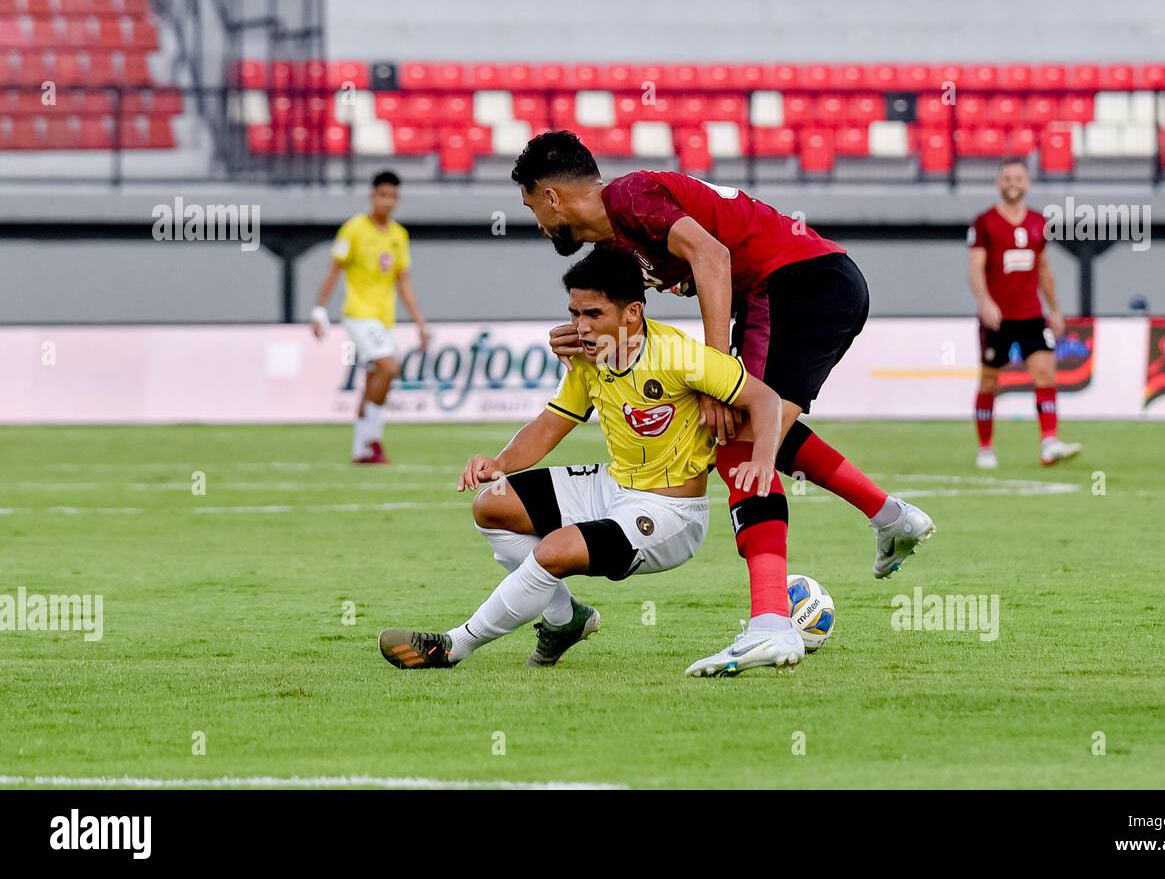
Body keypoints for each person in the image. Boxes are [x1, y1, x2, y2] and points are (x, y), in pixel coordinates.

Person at [507, 131, 935, 671]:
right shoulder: (615, 248)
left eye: (531, 207)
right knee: (758, 433)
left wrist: (716, 373)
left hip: (792, 284)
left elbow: (713, 254)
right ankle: (890, 516)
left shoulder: (630, 197)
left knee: (736, 439)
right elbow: (631, 330)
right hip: (813, 284)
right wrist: (577, 338)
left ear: (550, 197)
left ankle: (771, 624)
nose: (538, 225)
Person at [378, 246, 802, 676]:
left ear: (632, 312)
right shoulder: (590, 359)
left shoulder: (680, 356)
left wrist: (763, 460)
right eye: (574, 312)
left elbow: (764, 399)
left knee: (553, 551)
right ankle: (565, 620)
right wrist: (499, 462)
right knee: (492, 506)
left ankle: (453, 646)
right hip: (612, 486)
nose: (578, 326)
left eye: (592, 314)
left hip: (669, 514)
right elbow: (550, 423)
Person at [967, 158, 1082, 468]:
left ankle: (1049, 443)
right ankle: (986, 448)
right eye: (1007, 178)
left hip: (1032, 314)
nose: (1013, 183)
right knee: (990, 382)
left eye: (1018, 177)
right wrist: (985, 301)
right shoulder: (984, 223)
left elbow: (1044, 269)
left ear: (1027, 183)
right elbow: (975, 268)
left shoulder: (1037, 222)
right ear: (999, 182)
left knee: (1045, 373)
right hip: (998, 318)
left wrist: (1055, 309)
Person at [309, 170, 428, 464]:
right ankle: (373, 439)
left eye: (393, 196)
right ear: (372, 196)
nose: (388, 202)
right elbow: (334, 270)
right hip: (359, 314)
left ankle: (361, 449)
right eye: (383, 195)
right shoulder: (354, 229)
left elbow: (404, 282)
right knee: (389, 368)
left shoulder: (398, 235)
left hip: (384, 318)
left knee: (374, 378)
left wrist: (420, 323)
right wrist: (318, 310)